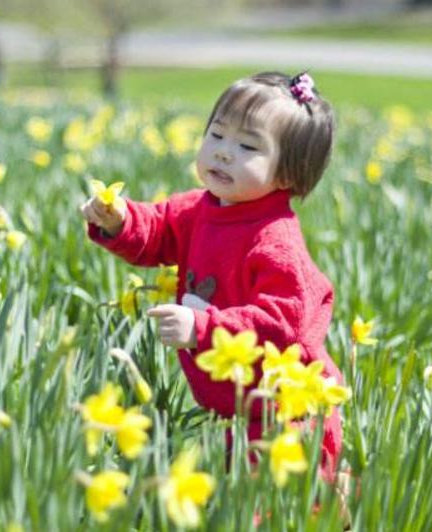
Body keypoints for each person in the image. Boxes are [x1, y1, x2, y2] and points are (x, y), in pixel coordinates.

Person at [80, 71, 344, 487]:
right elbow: (159, 228)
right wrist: (121, 220)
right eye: (217, 135)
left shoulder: (275, 242)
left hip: (285, 408)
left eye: (247, 146)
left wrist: (203, 329)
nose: (223, 153)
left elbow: (283, 325)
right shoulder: (201, 209)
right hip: (238, 405)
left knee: (268, 504)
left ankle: (337, 496)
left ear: (289, 175)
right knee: (229, 489)